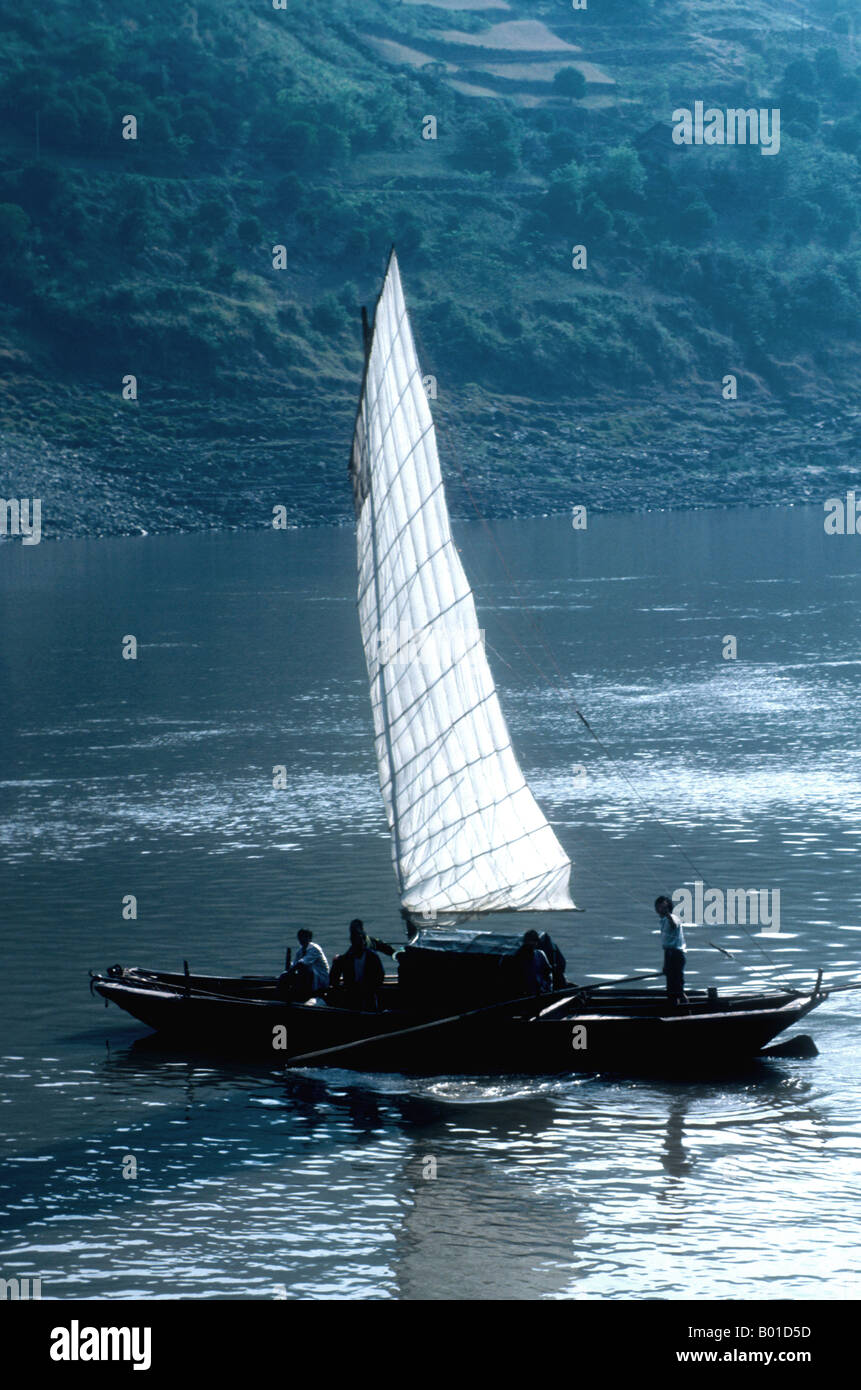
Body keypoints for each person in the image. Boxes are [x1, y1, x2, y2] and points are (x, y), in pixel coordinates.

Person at [329, 919, 385, 1011]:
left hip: (369, 992)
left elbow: (380, 975)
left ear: (363, 942)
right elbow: (334, 977)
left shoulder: (373, 957)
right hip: (352, 992)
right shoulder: (347, 958)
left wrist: (371, 988)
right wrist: (337, 989)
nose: (358, 945)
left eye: (360, 942)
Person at [277, 929, 330, 1002]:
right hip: (309, 978)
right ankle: (282, 998)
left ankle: (303, 995)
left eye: (305, 937)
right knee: (284, 975)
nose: (302, 939)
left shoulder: (314, 948)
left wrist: (290, 972)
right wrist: (287, 973)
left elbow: (302, 963)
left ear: (310, 938)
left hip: (320, 979)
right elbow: (294, 964)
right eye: (300, 937)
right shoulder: (300, 951)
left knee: (305, 970)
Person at [655, 895, 688, 1004]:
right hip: (669, 954)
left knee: (678, 987)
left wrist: (668, 913)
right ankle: (674, 1008)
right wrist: (665, 965)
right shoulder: (662, 921)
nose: (661, 909)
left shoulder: (673, 917)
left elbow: (673, 924)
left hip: (676, 955)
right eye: (659, 907)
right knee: (671, 988)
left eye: (663, 907)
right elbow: (666, 946)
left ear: (668, 908)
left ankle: (687, 1011)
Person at [509, 930, 553, 996]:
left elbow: (548, 972)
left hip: (540, 990)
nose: (532, 944)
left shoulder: (540, 954)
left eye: (534, 941)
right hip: (524, 992)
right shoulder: (518, 956)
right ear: (525, 942)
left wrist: (547, 987)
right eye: (529, 941)